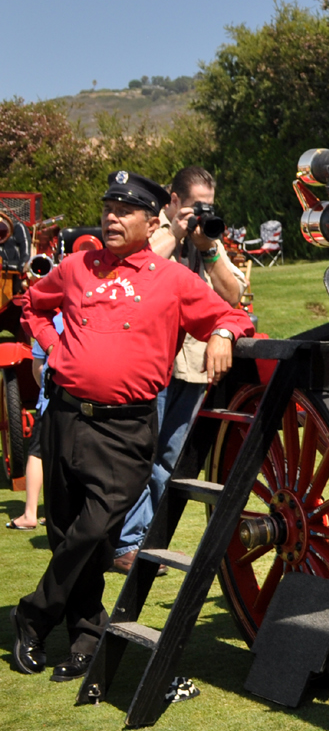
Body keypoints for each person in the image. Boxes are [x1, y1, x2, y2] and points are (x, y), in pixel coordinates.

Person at [9, 170, 254, 681]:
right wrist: (51, 349)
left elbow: (232, 313)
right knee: (67, 535)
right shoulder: (77, 267)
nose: (112, 217)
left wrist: (224, 334)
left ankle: (32, 616)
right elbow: (31, 304)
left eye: (125, 211)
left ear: (151, 219)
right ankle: (85, 637)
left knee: (94, 528)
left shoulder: (172, 280)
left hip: (126, 429)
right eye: (108, 208)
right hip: (66, 418)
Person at [112, 166, 248, 572]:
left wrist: (207, 246)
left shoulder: (209, 239)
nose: (202, 213)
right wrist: (176, 229)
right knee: (139, 453)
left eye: (208, 205)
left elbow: (234, 295)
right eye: (194, 206)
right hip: (147, 365)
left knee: (169, 459)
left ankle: (142, 540)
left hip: (191, 366)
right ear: (173, 200)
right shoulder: (151, 232)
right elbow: (137, 274)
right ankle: (122, 543)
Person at [7, 315, 63, 532]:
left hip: (51, 400)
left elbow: (38, 368)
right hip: (81, 402)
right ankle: (59, 513)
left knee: (37, 454)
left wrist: (49, 393)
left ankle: (30, 513)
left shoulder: (51, 323)